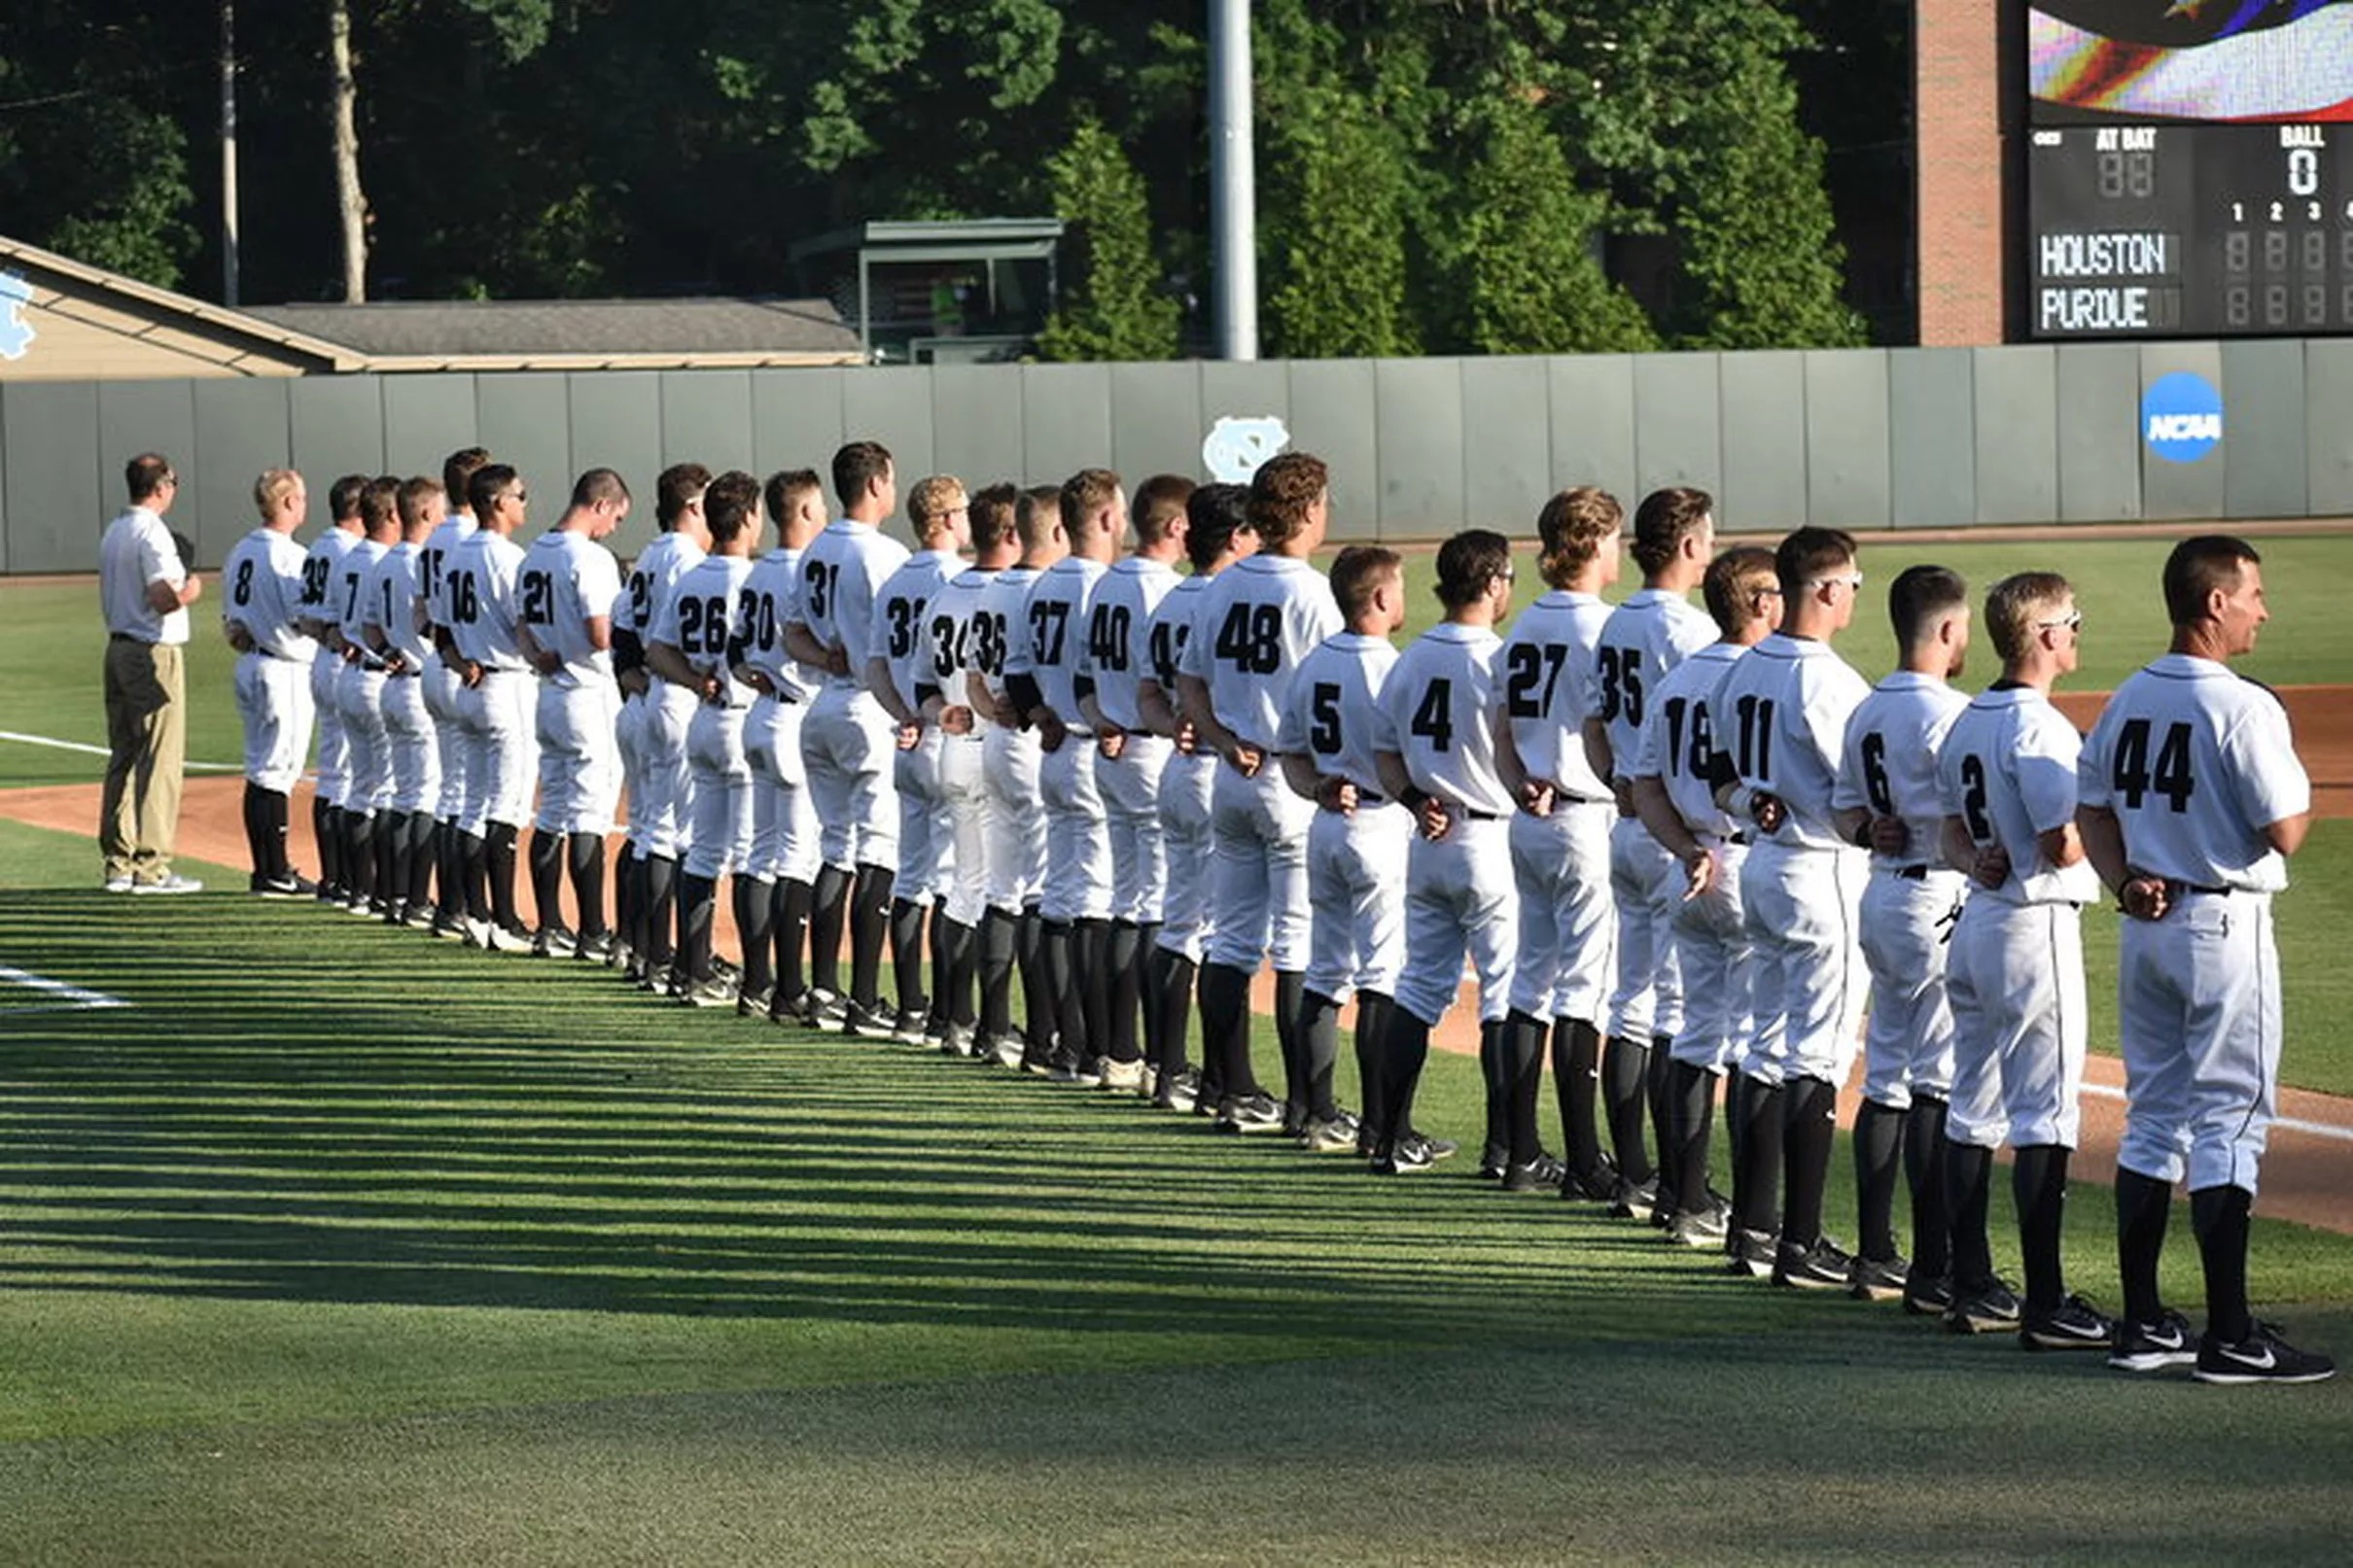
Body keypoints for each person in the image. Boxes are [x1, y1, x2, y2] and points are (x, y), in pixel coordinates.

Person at [2078, 536, 2335, 1384]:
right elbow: (2287, 828)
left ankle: (2144, 1322)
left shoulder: (2127, 696)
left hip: (2148, 926)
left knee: (2153, 1117)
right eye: (2254, 592)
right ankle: (2230, 1334)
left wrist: (2123, 884)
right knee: (2230, 1121)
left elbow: (2092, 809)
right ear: (2214, 602)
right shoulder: (2242, 705)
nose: (2264, 608)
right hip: (2223, 930)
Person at [1936, 571, 2109, 1349]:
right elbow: (2061, 838)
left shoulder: (1969, 718)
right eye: (2070, 621)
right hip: (2033, 926)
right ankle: (2046, 1299)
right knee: (2044, 1112)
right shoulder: (2040, 727)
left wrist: (1976, 858)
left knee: (1971, 1105)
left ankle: (1969, 1282)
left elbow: (1949, 829)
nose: (2077, 631)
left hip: (1975, 924)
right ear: (2041, 635)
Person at [1707, 527, 1872, 1287]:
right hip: (1822, 873)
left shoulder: (1741, 670)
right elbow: (1866, 795)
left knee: (1762, 1043)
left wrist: (1751, 799)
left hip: (1763, 868)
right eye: (1853, 585)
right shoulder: (1833, 683)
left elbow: (1717, 774)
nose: (1855, 598)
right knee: (1817, 1053)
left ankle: (1752, 1227)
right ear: (1829, 589)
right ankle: (1799, 1243)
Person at [1176, 452, 1341, 1133]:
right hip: (1290, 780)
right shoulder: (1310, 591)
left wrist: (1219, 738)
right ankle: (1311, 1107)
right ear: (1305, 510)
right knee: (1299, 941)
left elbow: (1191, 683)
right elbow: (1338, 695)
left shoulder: (1222, 585)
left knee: (1233, 938)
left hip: (1232, 772)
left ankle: (1229, 1088)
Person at [1830, 566, 1972, 1308]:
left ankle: (1875, 1252)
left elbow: (1842, 808)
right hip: (1936, 897)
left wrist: (1865, 828)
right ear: (1948, 629)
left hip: (1879, 895)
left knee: (1885, 1071)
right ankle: (1932, 1263)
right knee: (1936, 1079)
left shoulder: (1866, 706)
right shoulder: (1951, 712)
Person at [1630, 546, 1779, 1247]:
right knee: (1756, 1043)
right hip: (1750, 866)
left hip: (1687, 864)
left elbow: (1644, 785)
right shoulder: (1766, 680)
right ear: (1755, 602)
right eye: (1774, 592)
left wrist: (1686, 850)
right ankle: (1757, 1215)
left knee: (1694, 1032)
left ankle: (1686, 1199)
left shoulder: (1679, 680)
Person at [1367, 529, 1520, 1174]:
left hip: (1428, 837)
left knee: (1418, 988)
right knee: (1504, 994)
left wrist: (1410, 798)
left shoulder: (1408, 658)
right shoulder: (1499, 658)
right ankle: (1506, 1148)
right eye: (1508, 577)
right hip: (1490, 839)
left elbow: (1382, 750)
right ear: (1490, 583)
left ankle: (1389, 1134)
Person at [1582, 487, 1718, 1209]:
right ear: (1690, 545)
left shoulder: (1614, 624)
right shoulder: (1687, 630)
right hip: (1672, 836)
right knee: (1674, 1008)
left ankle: (1634, 1172)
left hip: (1626, 825)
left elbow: (1594, 723)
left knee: (1629, 1001)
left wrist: (1620, 782)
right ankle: (1675, 1181)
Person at [1494, 487, 1621, 1193]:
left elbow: (1499, 727)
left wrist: (1519, 782)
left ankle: (1521, 1152)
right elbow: (1605, 729)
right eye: (1613, 539)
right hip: (1583, 816)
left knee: (1530, 981)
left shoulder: (1525, 627)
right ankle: (1582, 1161)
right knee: (1581, 987)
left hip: (1530, 815)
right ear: (1596, 543)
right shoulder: (1599, 626)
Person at [1275, 545, 1407, 1155]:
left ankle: (1314, 1111)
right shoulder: (1389, 666)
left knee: (1325, 970)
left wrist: (1320, 787)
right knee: (1380, 974)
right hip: (1378, 827)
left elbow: (1292, 756)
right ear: (1379, 598)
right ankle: (1380, 1128)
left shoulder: (1312, 664)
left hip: (1324, 825)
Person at [1138, 482, 1254, 1114]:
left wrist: (1174, 725)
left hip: (1177, 771)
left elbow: (1147, 697)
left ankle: (1168, 1069)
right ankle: (1221, 1079)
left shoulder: (1167, 602)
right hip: (1218, 771)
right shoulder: (1227, 599)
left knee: (1180, 920)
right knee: (1224, 932)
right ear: (1235, 536)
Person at [786, 440, 909, 1037]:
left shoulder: (815, 551)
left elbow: (792, 636)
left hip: (822, 707)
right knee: (878, 850)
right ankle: (862, 999)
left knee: (835, 847)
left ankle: (824, 991)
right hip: (868, 709)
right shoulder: (883, 553)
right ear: (877, 484)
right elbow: (898, 646)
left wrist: (828, 658)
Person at [1005, 469, 1123, 1085]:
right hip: (1094, 751)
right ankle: (1095, 1048)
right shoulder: (1104, 586)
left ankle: (1057, 1040)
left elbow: (1017, 672)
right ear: (1104, 519)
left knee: (1058, 898)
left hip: (1052, 752)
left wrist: (1039, 714)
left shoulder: (1041, 585)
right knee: (1098, 903)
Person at [1081, 474, 1196, 1096]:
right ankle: (1155, 1060)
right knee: (1159, 907)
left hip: (1111, 746)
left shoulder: (1105, 586)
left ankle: (1117, 1052)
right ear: (1178, 527)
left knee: (1127, 901)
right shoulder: (1166, 592)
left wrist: (1102, 721)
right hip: (1153, 749)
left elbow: (1081, 678)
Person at [648, 470, 765, 1006]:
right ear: (744, 518)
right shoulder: (753, 579)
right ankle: (752, 976)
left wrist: (696, 680)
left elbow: (657, 651)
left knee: (702, 849)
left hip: (702, 715)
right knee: (745, 854)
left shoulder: (692, 575)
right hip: (740, 720)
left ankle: (690, 969)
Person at [914, 482, 1022, 1056]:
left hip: (954, 746)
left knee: (963, 885)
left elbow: (921, 684)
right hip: (995, 748)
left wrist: (938, 712)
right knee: (1003, 890)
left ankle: (949, 1016)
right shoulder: (1012, 594)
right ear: (1010, 533)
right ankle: (992, 1027)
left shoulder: (944, 595)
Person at [866, 474, 972, 1043]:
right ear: (950, 518)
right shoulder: (955, 578)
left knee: (911, 876)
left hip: (908, 735)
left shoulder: (894, 581)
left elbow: (875, 666)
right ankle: (950, 1013)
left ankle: (910, 1008)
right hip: (952, 738)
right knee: (957, 880)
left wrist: (906, 714)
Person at [518, 468, 630, 959]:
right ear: (601, 504)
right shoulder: (590, 556)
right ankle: (591, 930)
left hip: (550, 690)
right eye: (617, 517)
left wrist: (537, 653)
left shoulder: (533, 553)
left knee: (554, 810)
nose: (613, 529)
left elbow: (520, 625)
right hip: (588, 692)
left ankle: (549, 925)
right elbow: (600, 633)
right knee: (588, 814)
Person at [972, 488, 1065, 1070]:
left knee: (1002, 887)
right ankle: (1042, 1035)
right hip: (1038, 742)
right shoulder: (1043, 589)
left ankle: (993, 1027)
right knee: (1040, 891)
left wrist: (990, 707)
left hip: (998, 741)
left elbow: (977, 675)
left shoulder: (986, 588)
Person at [613, 463, 713, 988]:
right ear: (694, 505)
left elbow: (623, 634)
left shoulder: (651, 554)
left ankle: (640, 950)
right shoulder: (688, 559)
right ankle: (664, 957)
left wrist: (635, 684)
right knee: (675, 833)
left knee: (649, 827)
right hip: (676, 695)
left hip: (645, 698)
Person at [736, 470, 830, 1021]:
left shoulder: (756, 572)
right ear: (800, 512)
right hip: (795, 713)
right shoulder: (804, 570)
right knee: (796, 856)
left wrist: (753, 675)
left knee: (761, 850)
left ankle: (756, 981)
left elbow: (734, 651)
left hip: (760, 711)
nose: (822, 515)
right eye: (816, 507)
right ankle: (790, 988)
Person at [445, 463, 539, 952]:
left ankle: (475, 914)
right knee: (506, 806)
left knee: (472, 803)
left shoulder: (457, 554)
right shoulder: (507, 557)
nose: (525, 501)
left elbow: (440, 633)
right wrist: (546, 656)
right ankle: (504, 920)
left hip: (471, 684)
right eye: (520, 494)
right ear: (498, 502)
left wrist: (462, 661)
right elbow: (524, 629)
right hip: (507, 685)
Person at [218, 466, 316, 896]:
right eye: (301, 497)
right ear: (289, 502)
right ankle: (275, 871)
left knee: (259, 769)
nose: (304, 504)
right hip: (285, 668)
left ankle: (265, 869)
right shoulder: (290, 556)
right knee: (277, 771)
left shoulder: (241, 550)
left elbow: (231, 623)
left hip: (251, 663)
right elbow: (303, 618)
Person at [357, 474, 447, 924]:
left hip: (393, 681)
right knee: (424, 794)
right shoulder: (422, 563)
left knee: (398, 791)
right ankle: (414, 899)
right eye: (442, 509)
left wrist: (390, 652)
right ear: (426, 512)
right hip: (418, 683)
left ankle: (389, 895)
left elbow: (368, 627)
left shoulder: (386, 561)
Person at [419, 447, 491, 938]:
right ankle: (467, 906)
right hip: (467, 668)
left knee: (451, 792)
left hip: (436, 661)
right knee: (476, 796)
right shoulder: (475, 540)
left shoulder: (433, 539)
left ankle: (449, 905)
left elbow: (420, 617)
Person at [328, 476, 401, 916]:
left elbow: (332, 624)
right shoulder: (383, 562)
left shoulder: (349, 557)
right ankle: (383, 891)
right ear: (390, 515)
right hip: (377, 675)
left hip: (349, 673)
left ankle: (355, 888)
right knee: (388, 788)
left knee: (360, 785)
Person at [298, 474, 368, 904]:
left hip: (321, 658)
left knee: (333, 773)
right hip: (345, 659)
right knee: (352, 775)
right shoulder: (349, 551)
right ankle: (347, 879)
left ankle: (333, 878)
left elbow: (305, 617)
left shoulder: (320, 546)